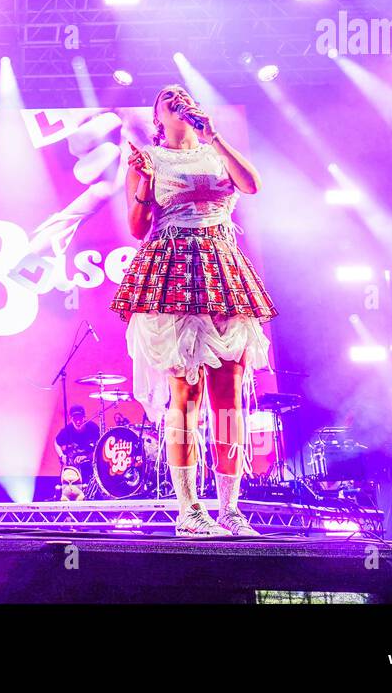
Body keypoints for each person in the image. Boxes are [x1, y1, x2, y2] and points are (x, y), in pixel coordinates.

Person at [109, 85, 278, 536]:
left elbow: (252, 185)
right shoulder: (147, 157)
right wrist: (143, 181)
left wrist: (214, 136)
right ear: (157, 115)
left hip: (221, 265)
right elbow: (138, 227)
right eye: (168, 97)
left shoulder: (216, 150)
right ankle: (189, 510)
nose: (177, 98)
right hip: (173, 269)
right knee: (186, 395)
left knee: (231, 395)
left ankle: (230, 509)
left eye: (182, 94)